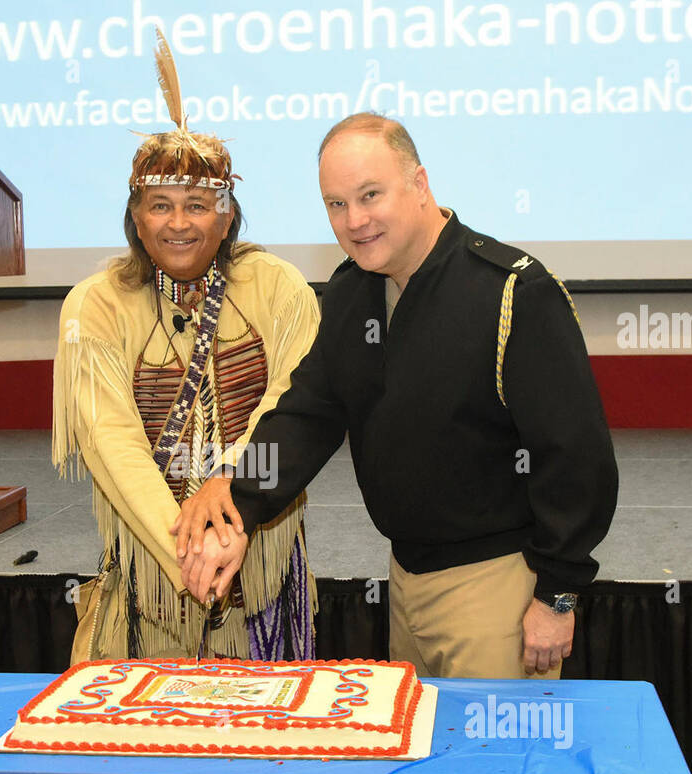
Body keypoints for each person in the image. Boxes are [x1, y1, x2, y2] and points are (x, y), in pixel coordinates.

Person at [174, 113, 618, 679]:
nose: (354, 220)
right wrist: (232, 493)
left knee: (487, 767)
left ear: (420, 183)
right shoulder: (350, 290)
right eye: (336, 204)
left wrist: (558, 594)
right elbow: (307, 417)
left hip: (498, 591)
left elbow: (578, 459)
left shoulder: (514, 293)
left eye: (370, 195)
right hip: (404, 583)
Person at [52, 32, 319, 663]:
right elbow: (109, 440)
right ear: (135, 217)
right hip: (149, 585)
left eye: (198, 205)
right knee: (135, 749)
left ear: (227, 215)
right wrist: (189, 552)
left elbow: (293, 407)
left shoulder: (275, 286)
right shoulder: (96, 304)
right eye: (160, 205)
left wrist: (232, 519)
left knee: (267, 751)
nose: (178, 223)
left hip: (262, 575)